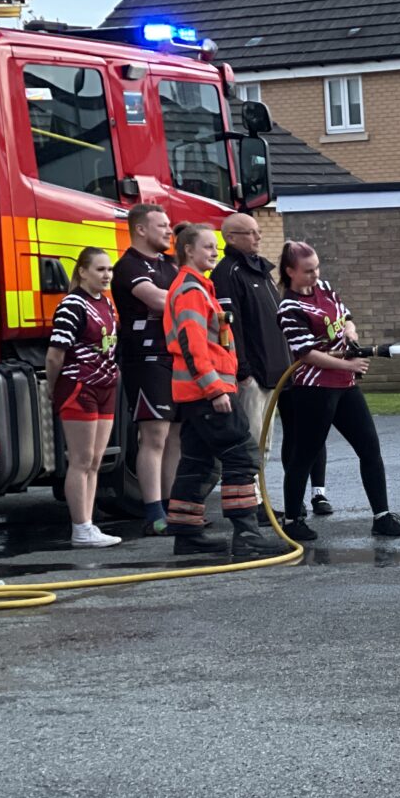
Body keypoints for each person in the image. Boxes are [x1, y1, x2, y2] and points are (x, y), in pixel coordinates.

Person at [162, 223, 289, 559]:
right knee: (241, 455)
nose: (214, 252)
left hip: (196, 394)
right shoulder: (190, 290)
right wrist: (215, 389)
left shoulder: (197, 287)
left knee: (199, 462)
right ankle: (247, 535)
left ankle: (187, 534)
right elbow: (192, 345)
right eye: (207, 247)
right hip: (208, 393)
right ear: (188, 250)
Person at [274, 241, 400, 541]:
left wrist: (350, 331)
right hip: (314, 389)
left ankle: (382, 515)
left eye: (317, 268)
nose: (314, 275)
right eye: (307, 271)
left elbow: (345, 317)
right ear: (290, 271)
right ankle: (293, 519)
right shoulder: (289, 307)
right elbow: (306, 353)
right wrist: (348, 365)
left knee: (370, 448)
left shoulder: (325, 288)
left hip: (345, 388)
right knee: (303, 455)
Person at [212, 212, 330, 515]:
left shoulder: (260, 272)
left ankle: (260, 500)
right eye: (250, 232)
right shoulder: (229, 273)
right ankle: (250, 505)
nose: (258, 237)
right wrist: (243, 371)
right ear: (231, 237)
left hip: (276, 374)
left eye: (258, 231)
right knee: (252, 442)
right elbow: (231, 327)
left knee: (265, 444)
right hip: (255, 375)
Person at [111, 203, 180, 535]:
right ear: (140, 229)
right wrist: (189, 300)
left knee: (176, 437)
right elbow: (158, 299)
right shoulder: (128, 266)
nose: (169, 231)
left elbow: (183, 295)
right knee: (154, 436)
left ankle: (172, 508)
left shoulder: (170, 264)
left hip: (176, 358)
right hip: (146, 360)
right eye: (162, 226)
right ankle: (153, 514)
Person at [45, 247, 121, 549]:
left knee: (96, 460)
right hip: (79, 386)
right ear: (82, 272)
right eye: (100, 269)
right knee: (81, 459)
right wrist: (55, 389)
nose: (106, 275)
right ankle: (81, 527)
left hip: (106, 386)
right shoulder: (72, 305)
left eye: (109, 270)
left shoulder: (106, 303)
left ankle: (89, 524)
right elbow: (54, 356)